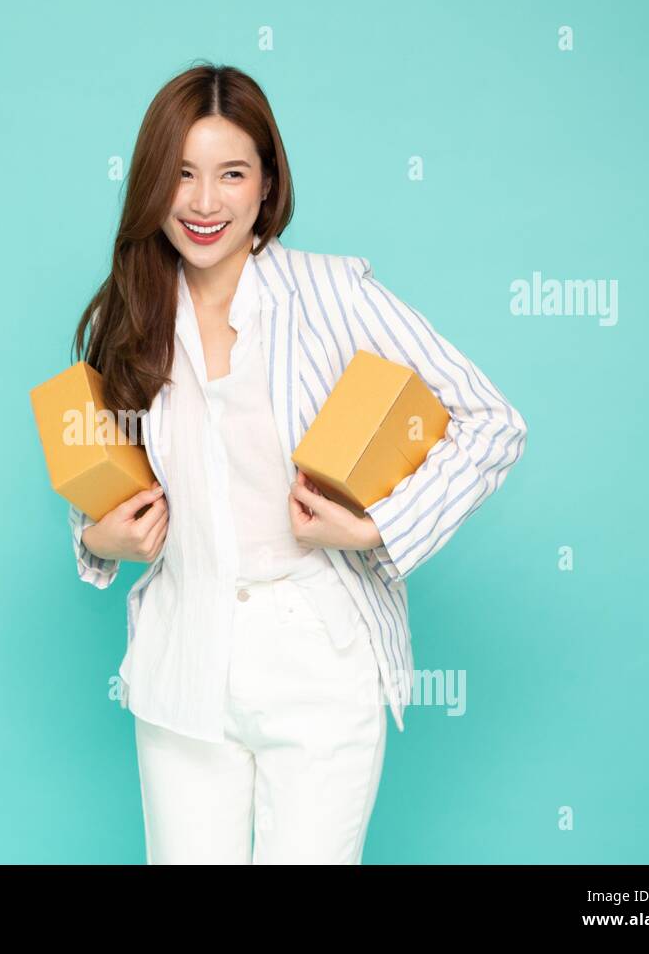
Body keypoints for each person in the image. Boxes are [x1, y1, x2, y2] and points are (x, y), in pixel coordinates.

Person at [66, 63, 528, 864]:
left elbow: (494, 422)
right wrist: (99, 542)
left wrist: (376, 525)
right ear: (150, 184)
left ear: (267, 184)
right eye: (180, 174)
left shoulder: (332, 291)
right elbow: (109, 486)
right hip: (183, 661)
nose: (204, 203)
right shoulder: (129, 314)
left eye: (231, 173)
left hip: (319, 659)